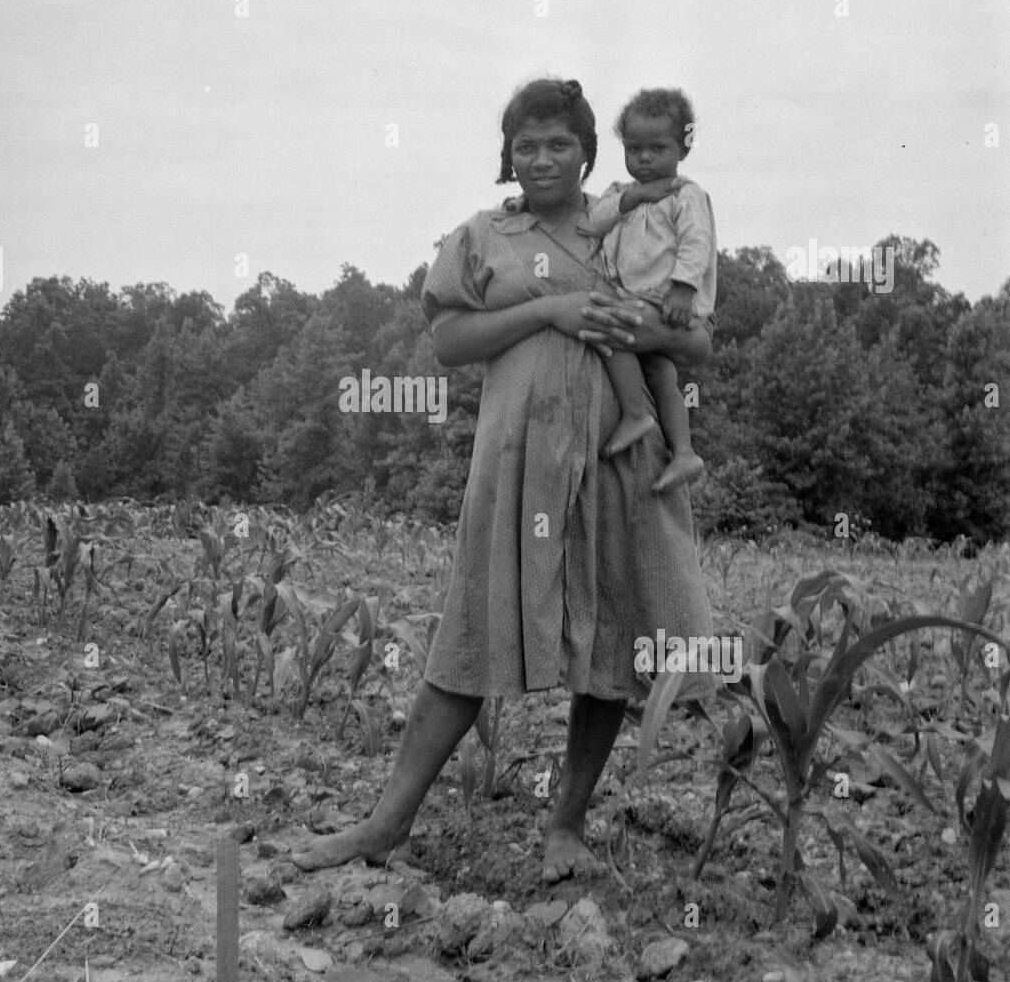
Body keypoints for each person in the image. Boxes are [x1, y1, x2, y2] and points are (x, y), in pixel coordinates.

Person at [293, 77, 716, 885]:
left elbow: (695, 348)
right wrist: (547, 313)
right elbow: (451, 341)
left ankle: (565, 828)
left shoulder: (627, 228)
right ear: (507, 156)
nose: (543, 158)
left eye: (560, 143)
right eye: (526, 145)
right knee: (468, 635)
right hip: (517, 461)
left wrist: (643, 323)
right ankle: (384, 826)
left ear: (589, 152)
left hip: (622, 457)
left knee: (615, 639)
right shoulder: (481, 236)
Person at [586, 88, 717, 493]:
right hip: (637, 298)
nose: (644, 158)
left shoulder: (686, 195)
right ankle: (684, 453)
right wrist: (633, 196)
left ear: (683, 148)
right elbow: (593, 222)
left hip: (667, 300)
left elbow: (697, 243)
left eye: (657, 148)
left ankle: (635, 414)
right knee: (661, 371)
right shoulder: (619, 194)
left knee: (610, 330)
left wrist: (683, 288)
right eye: (634, 148)